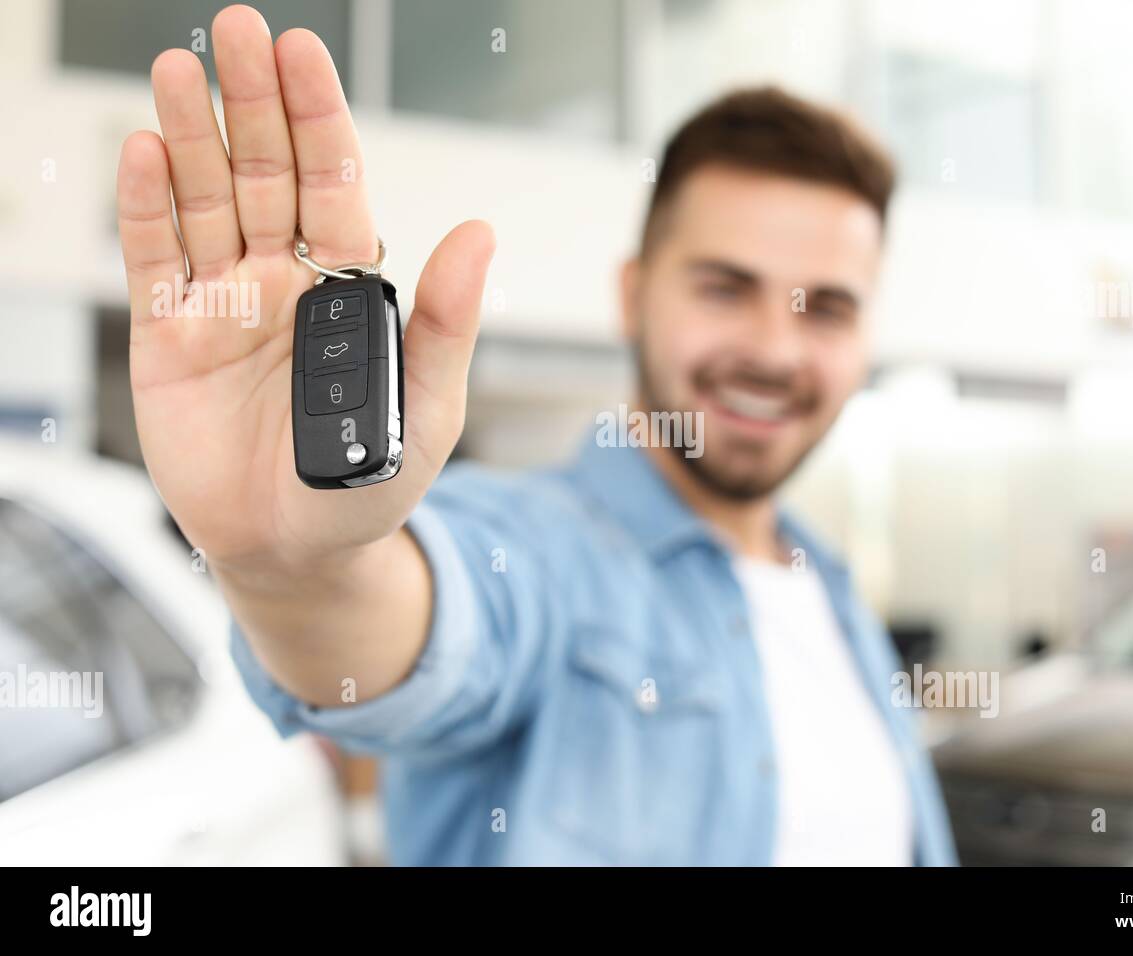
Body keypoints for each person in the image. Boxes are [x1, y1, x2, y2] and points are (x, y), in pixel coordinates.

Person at [116, 4, 955, 866]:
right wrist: (296, 571)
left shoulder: (835, 593)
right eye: (725, 288)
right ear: (632, 295)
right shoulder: (539, 552)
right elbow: (430, 628)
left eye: (827, 308)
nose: (776, 350)